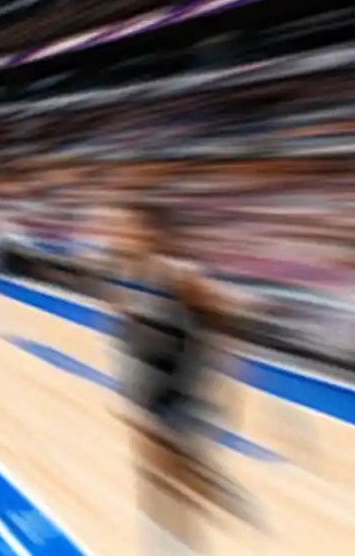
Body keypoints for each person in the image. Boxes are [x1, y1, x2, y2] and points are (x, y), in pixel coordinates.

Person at [102, 201, 259, 554]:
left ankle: (199, 523)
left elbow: (225, 322)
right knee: (152, 479)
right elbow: (126, 332)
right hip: (147, 390)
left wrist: (229, 383)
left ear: (149, 232)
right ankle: (166, 542)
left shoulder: (179, 276)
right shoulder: (127, 273)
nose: (113, 233)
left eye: (123, 226)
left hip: (180, 394)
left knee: (175, 485)